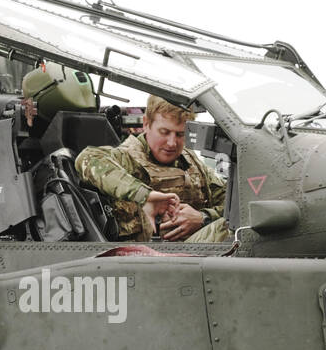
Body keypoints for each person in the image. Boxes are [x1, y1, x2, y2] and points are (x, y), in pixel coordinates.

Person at [74, 95, 231, 242]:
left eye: (180, 134)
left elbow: (232, 204)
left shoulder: (190, 160)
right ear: (146, 124)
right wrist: (144, 195)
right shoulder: (126, 158)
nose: (172, 143)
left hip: (198, 254)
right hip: (149, 258)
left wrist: (203, 217)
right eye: (164, 132)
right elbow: (87, 159)